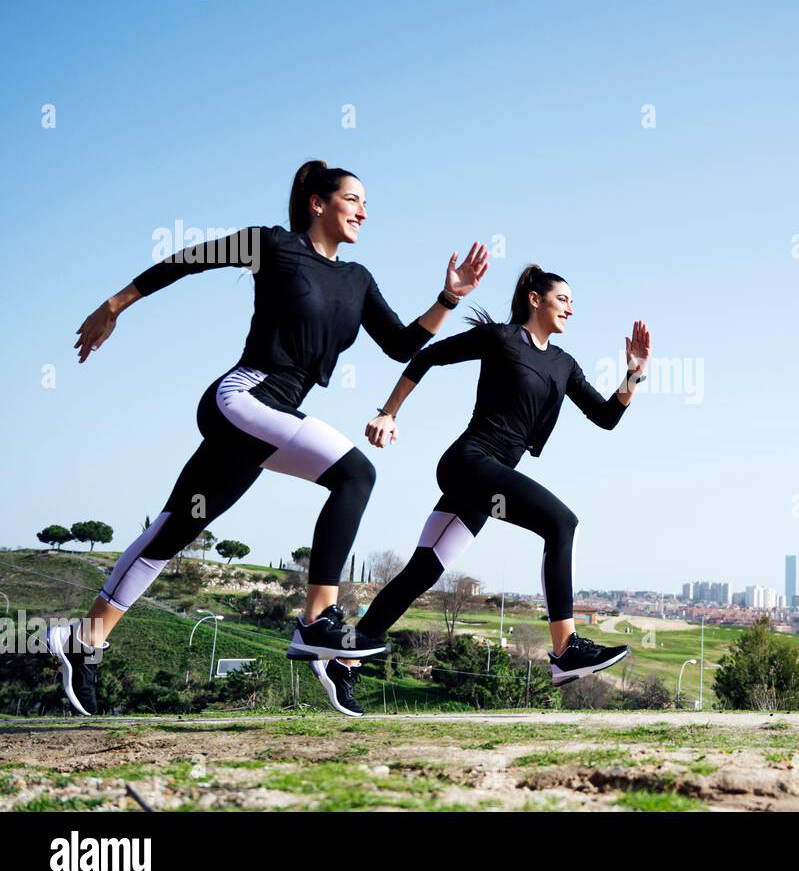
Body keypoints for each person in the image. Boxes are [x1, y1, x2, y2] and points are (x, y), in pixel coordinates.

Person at [47, 159, 488, 717]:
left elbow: (401, 344)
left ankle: (84, 639)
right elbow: (187, 260)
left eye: (367, 204)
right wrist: (115, 305)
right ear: (318, 203)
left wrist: (449, 298)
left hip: (269, 419)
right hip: (243, 399)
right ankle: (317, 624)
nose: (363, 211)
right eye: (353, 199)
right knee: (355, 473)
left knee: (174, 530)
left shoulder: (357, 280)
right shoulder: (272, 246)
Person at [359, 264, 651, 691]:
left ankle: (346, 651)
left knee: (423, 570)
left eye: (572, 302)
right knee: (561, 522)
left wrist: (634, 373)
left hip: (487, 481)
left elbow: (605, 417)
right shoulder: (502, 338)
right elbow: (427, 355)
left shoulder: (563, 364)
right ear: (536, 299)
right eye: (563, 299)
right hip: (468, 462)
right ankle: (565, 649)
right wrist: (388, 411)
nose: (571, 309)